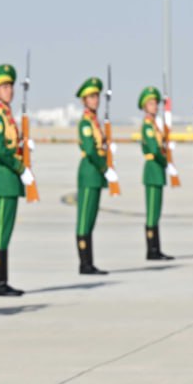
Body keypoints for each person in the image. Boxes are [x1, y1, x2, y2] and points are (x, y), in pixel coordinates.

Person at [0, 64, 34, 296]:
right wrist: (20, 167)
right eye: (4, 87)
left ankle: (2, 280)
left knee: (6, 230)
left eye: (10, 86)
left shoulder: (7, 116)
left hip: (10, 177)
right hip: (4, 177)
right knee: (2, 230)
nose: (9, 90)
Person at [76, 77, 116, 274]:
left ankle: (89, 262)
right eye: (91, 97)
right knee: (84, 218)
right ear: (84, 100)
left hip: (96, 173)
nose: (95, 100)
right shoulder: (86, 123)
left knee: (91, 218)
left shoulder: (94, 122)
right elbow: (91, 150)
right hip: (90, 170)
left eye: (97, 96)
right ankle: (84, 264)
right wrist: (104, 167)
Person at [139, 86, 175, 261]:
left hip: (157, 169)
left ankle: (156, 249)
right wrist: (166, 160)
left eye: (156, 103)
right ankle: (152, 250)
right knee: (152, 212)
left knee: (156, 211)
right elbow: (154, 148)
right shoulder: (148, 126)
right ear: (145, 106)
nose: (155, 106)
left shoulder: (155, 125)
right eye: (151, 103)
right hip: (153, 169)